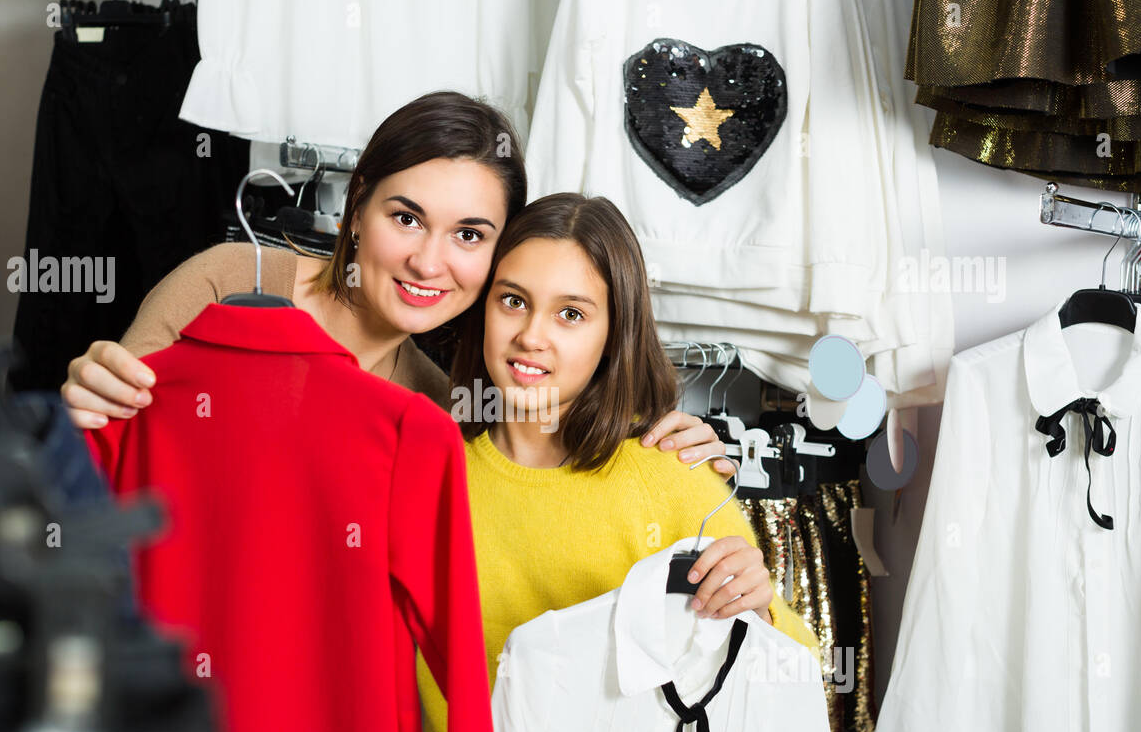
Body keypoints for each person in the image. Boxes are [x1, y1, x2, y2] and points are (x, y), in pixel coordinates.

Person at [61, 91, 734, 467]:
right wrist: (82, 407)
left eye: (469, 235)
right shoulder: (228, 284)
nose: (429, 262)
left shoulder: (446, 410)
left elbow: (563, 480)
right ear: (357, 206)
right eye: (407, 218)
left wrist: (681, 458)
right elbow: (100, 469)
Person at [416, 193, 820, 732]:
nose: (532, 335)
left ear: (615, 333)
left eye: (571, 314)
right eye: (513, 301)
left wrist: (759, 608)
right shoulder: (426, 478)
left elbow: (795, 676)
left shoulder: (673, 473)